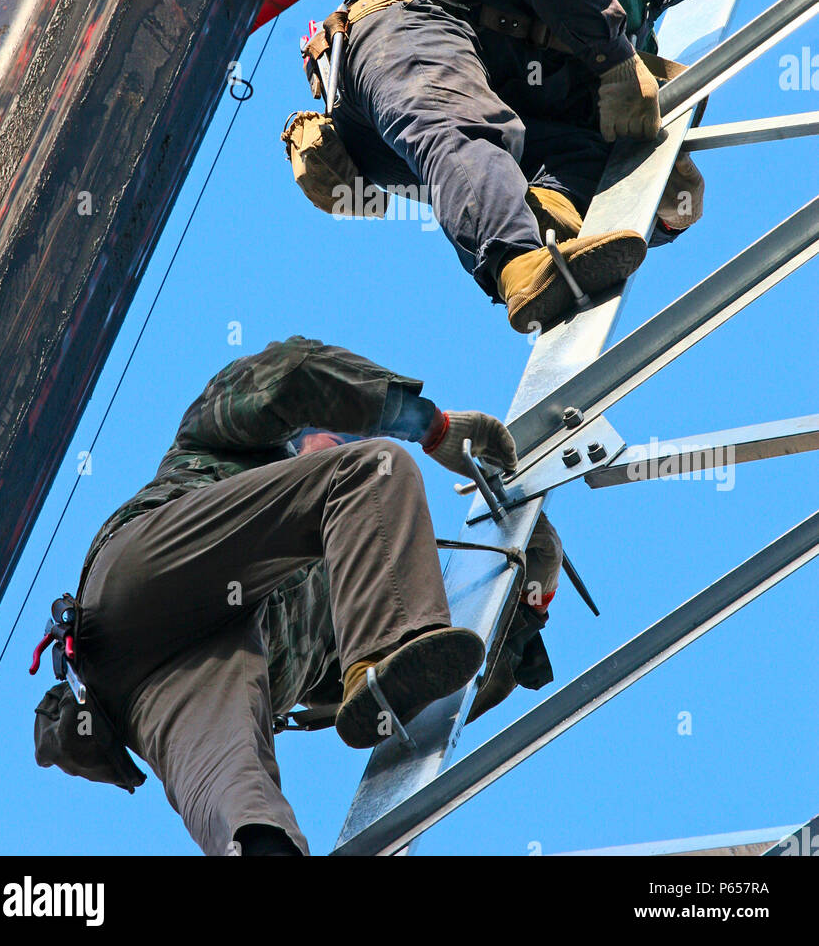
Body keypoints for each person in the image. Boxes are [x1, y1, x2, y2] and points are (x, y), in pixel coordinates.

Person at [56, 336, 561, 856]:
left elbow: (443, 688)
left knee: (243, 808)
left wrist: (521, 606)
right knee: (376, 468)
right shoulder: (226, 444)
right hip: (149, 582)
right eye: (331, 432)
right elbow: (296, 374)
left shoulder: (347, 606)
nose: (337, 444)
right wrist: (430, 426)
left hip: (151, 680)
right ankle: (383, 656)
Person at [322, 0, 759, 332]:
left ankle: (551, 225)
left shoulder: (636, 37)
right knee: (473, 125)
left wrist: (659, 198)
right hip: (413, 26)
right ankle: (519, 263)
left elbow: (596, 141)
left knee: (614, 152)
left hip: (421, 136)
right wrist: (613, 60)